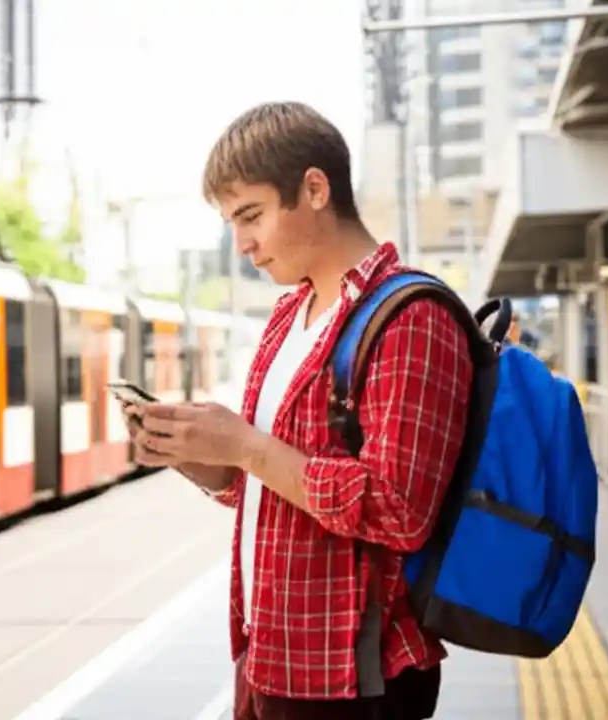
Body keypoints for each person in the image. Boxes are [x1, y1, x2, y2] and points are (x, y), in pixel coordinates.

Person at [124, 102, 474, 719]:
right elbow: (264, 484)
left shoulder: (411, 315)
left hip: (356, 676)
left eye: (251, 215)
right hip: (270, 655)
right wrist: (196, 455)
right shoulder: (290, 316)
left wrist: (244, 446)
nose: (243, 245)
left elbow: (398, 509)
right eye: (231, 223)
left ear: (315, 188)